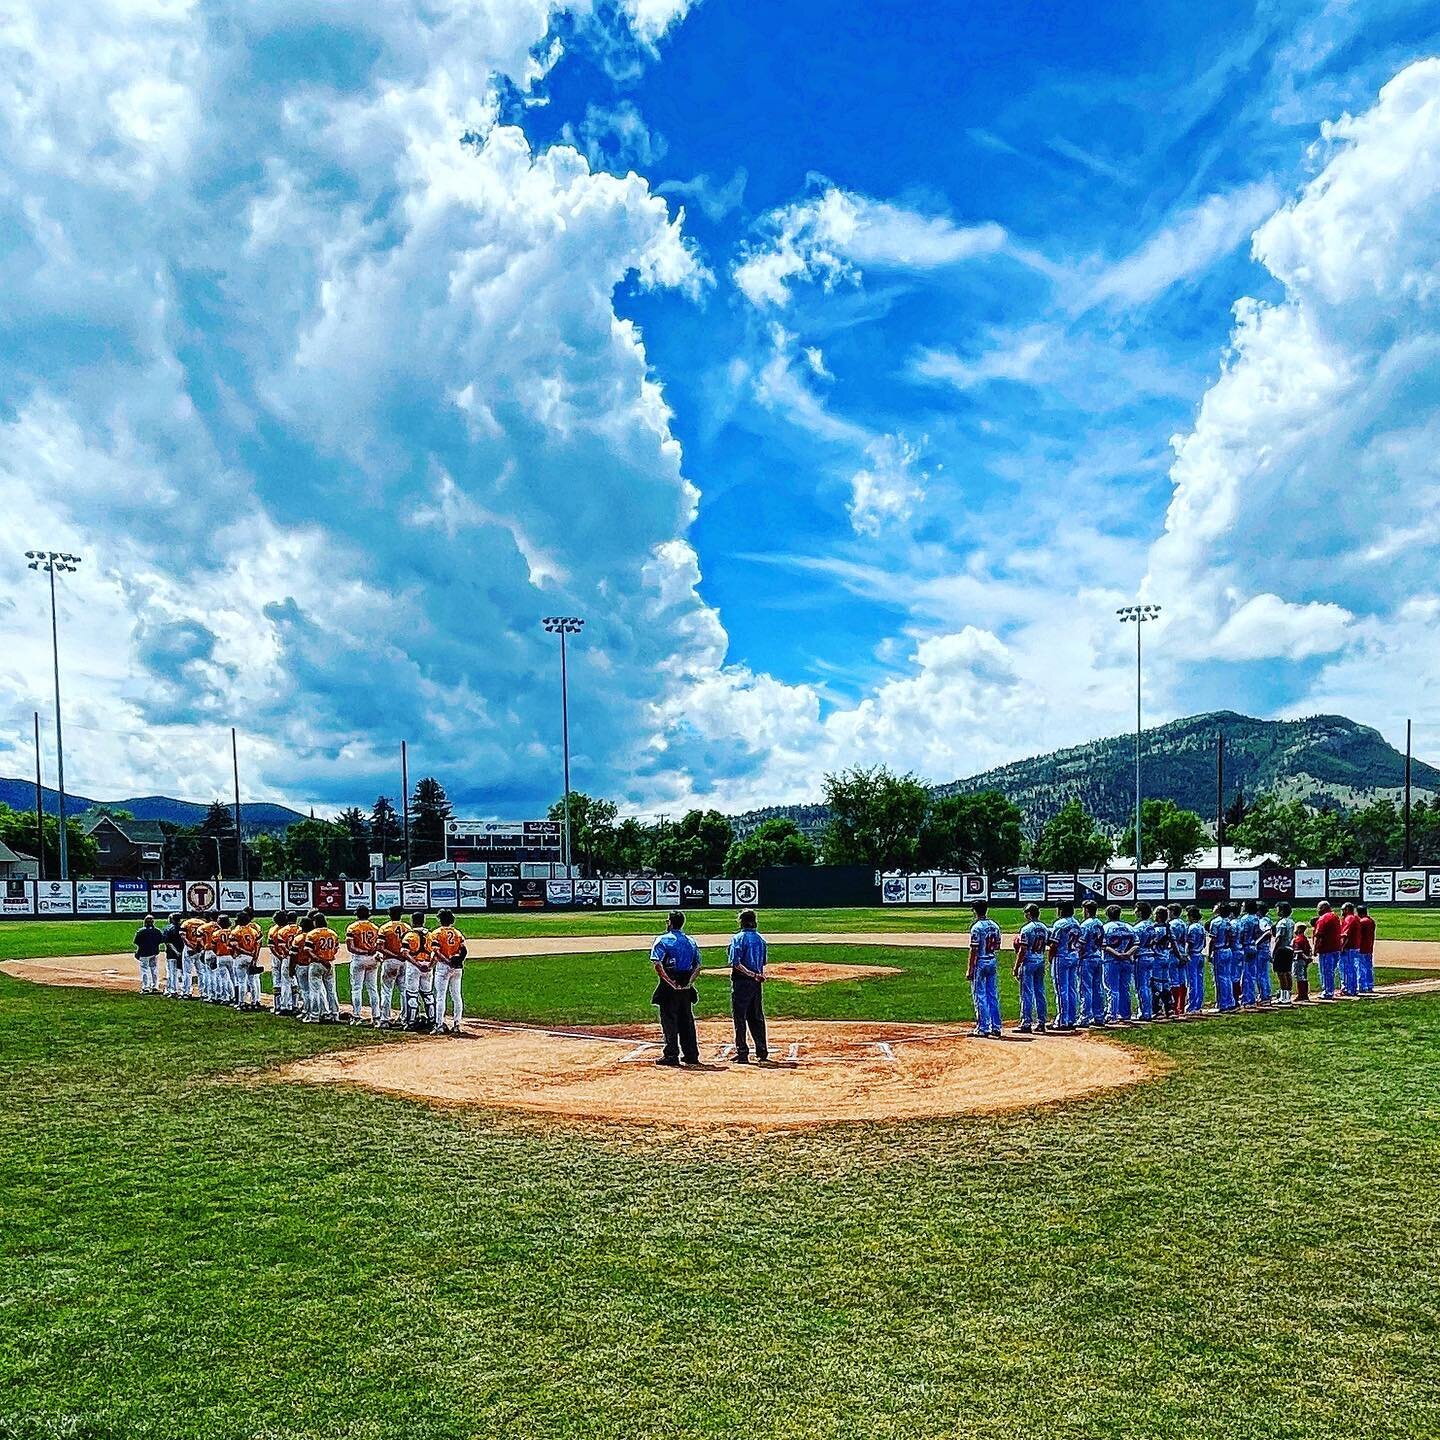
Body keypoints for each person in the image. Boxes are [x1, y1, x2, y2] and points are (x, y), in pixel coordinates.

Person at [650, 910, 702, 1065]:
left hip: (669, 984)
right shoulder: (690, 941)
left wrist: (670, 983)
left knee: (669, 1020)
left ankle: (671, 1055)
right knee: (686, 1019)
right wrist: (688, 983)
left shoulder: (662, 940)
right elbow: (698, 965)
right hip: (686, 982)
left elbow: (658, 965)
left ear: (670, 922)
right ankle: (691, 1054)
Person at [728, 908, 769, 1063]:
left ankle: (743, 1052)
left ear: (742, 921)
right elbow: (763, 962)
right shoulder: (760, 939)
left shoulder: (738, 939)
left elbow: (736, 963)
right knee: (756, 1016)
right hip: (756, 982)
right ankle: (762, 1050)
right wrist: (756, 975)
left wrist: (751, 974)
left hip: (742, 982)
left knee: (740, 1017)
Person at [430, 910, 467, 1034]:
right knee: (457, 996)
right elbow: (464, 950)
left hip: (443, 967)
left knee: (440, 996)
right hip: (457, 967)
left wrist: (447, 961)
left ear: (440, 920)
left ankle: (439, 1025)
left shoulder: (436, 933)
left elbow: (436, 951)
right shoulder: (457, 933)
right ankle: (457, 1025)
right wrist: (458, 961)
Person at [1014, 904, 1049, 1034]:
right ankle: (1041, 1022)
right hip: (1040, 960)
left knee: (1026, 993)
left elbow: (1022, 950)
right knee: (1040, 991)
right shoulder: (1044, 928)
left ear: (1029, 914)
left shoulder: (1026, 929)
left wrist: (1016, 966)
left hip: (1028, 962)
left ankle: (1026, 1023)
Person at [344, 904, 381, 1026]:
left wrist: (363, 951)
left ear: (357, 914)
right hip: (373, 958)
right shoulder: (375, 927)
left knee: (356, 988)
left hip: (359, 959)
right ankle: (376, 1016)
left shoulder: (352, 927)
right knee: (373, 988)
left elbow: (350, 947)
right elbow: (379, 945)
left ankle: (357, 1015)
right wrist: (371, 950)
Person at [1101, 904, 1137, 1024]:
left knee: (1112, 988)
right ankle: (1126, 1014)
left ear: (1108, 915)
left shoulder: (1105, 927)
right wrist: (1127, 954)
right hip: (1127, 960)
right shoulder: (1128, 927)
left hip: (1111, 960)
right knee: (1125, 988)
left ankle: (1112, 1014)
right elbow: (1136, 943)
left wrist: (1117, 954)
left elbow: (1104, 945)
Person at [1049, 901, 1081, 1032]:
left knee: (1061, 989)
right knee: (1071, 988)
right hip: (1073, 954)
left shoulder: (1060, 924)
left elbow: (1054, 944)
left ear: (1062, 910)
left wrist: (1050, 957)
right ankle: (1072, 1018)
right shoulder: (1076, 923)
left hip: (1061, 956)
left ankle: (1062, 1020)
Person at [305, 912, 342, 1023]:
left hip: (316, 964)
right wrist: (328, 957)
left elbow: (308, 950)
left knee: (315, 991)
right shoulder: (332, 933)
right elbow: (335, 948)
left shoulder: (312, 934)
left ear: (316, 922)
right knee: (331, 991)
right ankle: (335, 1014)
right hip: (330, 963)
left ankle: (314, 1016)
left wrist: (320, 959)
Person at [376, 906, 410, 1029]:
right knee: (404, 991)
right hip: (404, 962)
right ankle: (405, 1018)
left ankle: (384, 1019)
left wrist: (393, 955)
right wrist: (401, 956)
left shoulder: (385, 928)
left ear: (389, 914)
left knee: (386, 990)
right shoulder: (407, 928)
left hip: (390, 962)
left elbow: (380, 947)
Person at [401, 911, 435, 1031]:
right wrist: (430, 965)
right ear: (423, 921)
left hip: (414, 966)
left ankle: (411, 1022)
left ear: (412, 921)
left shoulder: (409, 936)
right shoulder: (430, 935)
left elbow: (405, 953)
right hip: (427, 965)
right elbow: (435, 953)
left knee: (412, 994)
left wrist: (416, 964)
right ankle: (432, 1020)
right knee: (428, 994)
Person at [1078, 899, 1107, 1028]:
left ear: (1086, 910)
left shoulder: (1085, 925)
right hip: (1097, 956)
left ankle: (1085, 1017)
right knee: (1098, 988)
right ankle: (1099, 1016)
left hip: (1087, 958)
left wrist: (1079, 956)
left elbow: (1082, 944)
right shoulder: (1099, 923)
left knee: (1086, 989)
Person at [231, 909, 264, 1011]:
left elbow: (234, 945)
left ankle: (242, 1002)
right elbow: (258, 945)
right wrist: (254, 957)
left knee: (241, 982)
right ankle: (254, 1002)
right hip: (252, 957)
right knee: (252, 980)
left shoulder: (235, 931)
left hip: (241, 957)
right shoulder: (253, 931)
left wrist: (245, 952)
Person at [1208, 903, 1236, 1014]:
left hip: (1219, 950)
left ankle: (1222, 1003)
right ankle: (1230, 1001)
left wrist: (1210, 953)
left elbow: (1212, 940)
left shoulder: (1215, 922)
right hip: (1228, 949)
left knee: (1220, 979)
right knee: (1227, 977)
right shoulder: (1229, 921)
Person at [1132, 901, 1157, 1022]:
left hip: (1141, 956)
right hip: (1150, 955)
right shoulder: (1152, 926)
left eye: (1136, 910)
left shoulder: (1138, 927)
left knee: (1141, 986)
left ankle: (1144, 1012)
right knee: (1147, 985)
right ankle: (1149, 1011)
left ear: (1140, 912)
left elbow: (1134, 944)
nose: (1134, 912)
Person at [1312, 901, 1342, 1000]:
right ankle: (1330, 990)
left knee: (1325, 971)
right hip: (1336, 948)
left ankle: (1327, 992)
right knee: (1331, 971)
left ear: (1323, 908)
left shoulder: (1323, 918)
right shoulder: (1335, 916)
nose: (1318, 911)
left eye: (1319, 908)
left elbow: (1318, 936)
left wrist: (1315, 949)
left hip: (1326, 949)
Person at [1236, 900, 1261, 1009]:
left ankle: (1247, 999)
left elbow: (1241, 934)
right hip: (1253, 946)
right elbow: (1257, 933)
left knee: (1245, 975)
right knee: (1252, 974)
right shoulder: (1256, 918)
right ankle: (1252, 997)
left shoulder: (1244, 919)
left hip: (1245, 947)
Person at [268, 911, 295, 1014]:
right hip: (289, 957)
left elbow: (271, 946)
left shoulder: (273, 930)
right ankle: (293, 1004)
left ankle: (278, 1005)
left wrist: (279, 956)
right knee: (291, 980)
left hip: (277, 957)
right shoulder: (292, 929)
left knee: (278, 981)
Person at [1271, 901, 1296, 1007]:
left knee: (1281, 973)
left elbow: (1279, 938)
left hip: (1282, 949)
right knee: (1287, 972)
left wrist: (1274, 951)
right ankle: (1287, 995)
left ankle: (1284, 997)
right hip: (1289, 948)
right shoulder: (1291, 922)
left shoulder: (1281, 923)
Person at [1185, 905, 1207, 1014]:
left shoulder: (1192, 927)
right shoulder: (1201, 926)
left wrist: (1185, 954)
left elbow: (1190, 943)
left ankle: (1192, 1005)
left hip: (1193, 955)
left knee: (1192, 981)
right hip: (1200, 954)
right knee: (1199, 980)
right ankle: (1198, 1004)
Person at [133, 914, 163, 993]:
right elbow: (161, 941)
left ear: (145, 922)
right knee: (154, 969)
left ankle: (146, 987)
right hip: (154, 953)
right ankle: (155, 986)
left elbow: (136, 942)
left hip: (144, 953)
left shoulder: (141, 931)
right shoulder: (157, 931)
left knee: (145, 969)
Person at [210, 914, 236, 1005]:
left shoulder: (216, 934)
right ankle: (236, 997)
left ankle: (227, 997)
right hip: (232, 957)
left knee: (224, 978)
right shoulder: (232, 932)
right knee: (234, 977)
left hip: (221, 957)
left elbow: (213, 947)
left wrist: (217, 952)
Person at [1337, 902, 1361, 997]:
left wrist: (1341, 947)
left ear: (1347, 910)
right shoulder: (1356, 918)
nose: (1341, 912)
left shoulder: (1348, 919)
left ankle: (1347, 989)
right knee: (1352, 969)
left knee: (1346, 969)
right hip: (1355, 947)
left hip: (1348, 948)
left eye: (1343, 910)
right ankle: (1353, 989)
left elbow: (1345, 936)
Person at [1255, 903, 1275, 1007]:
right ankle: (1264, 995)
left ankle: (1265, 996)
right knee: (1263, 973)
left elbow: (1268, 933)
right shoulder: (1266, 919)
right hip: (1264, 950)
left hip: (1261, 950)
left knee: (1261, 974)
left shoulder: (1262, 920)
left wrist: (1257, 942)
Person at [160, 912, 184, 997]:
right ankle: (183, 991)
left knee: (171, 972)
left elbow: (168, 943)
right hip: (183, 953)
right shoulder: (183, 927)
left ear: (172, 919)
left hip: (171, 954)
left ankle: (172, 990)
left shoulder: (168, 928)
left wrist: (175, 951)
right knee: (182, 972)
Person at [1355, 903, 1377, 993]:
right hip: (1369, 946)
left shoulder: (1362, 922)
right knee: (1368, 967)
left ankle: (1362, 986)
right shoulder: (1371, 921)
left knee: (1361, 967)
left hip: (1361, 947)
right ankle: (1370, 985)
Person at [1292, 923, 1314, 1001]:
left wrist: (1305, 958)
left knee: (1299, 977)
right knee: (1303, 976)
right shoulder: (1304, 938)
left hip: (1298, 960)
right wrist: (1308, 958)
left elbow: (1299, 952)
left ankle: (1301, 995)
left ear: (1299, 929)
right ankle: (1304, 995)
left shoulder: (1297, 939)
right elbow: (1310, 950)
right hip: (1304, 961)